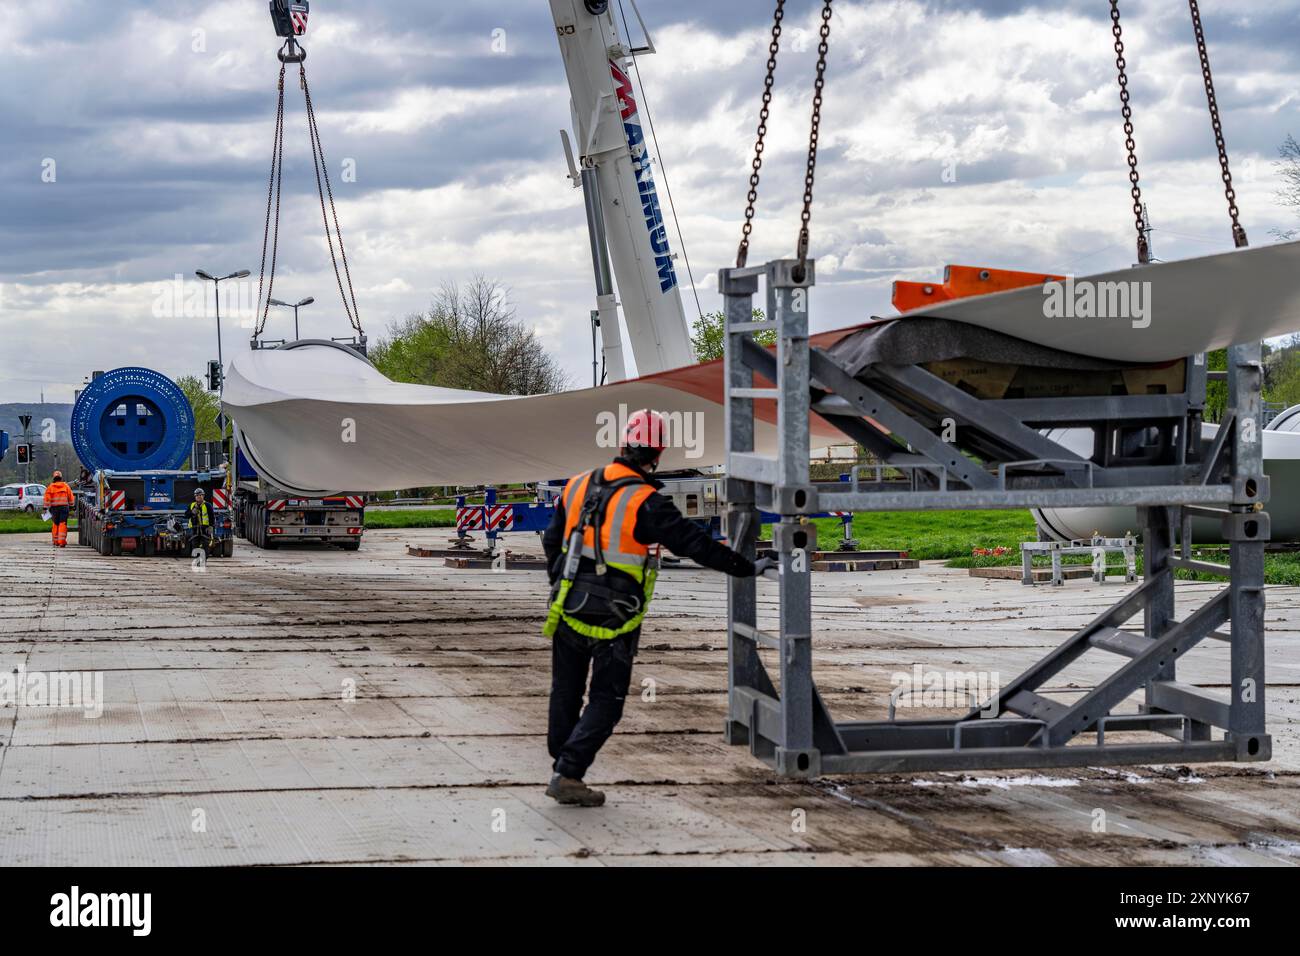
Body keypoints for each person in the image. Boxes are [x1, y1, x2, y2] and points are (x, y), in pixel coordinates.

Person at [541, 409, 774, 807]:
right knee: (606, 699)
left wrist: (561, 582)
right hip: (615, 616)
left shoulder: (577, 485)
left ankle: (562, 759)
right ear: (658, 453)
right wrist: (747, 566)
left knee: (566, 688)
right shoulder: (647, 502)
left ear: (621, 445)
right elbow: (694, 545)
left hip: (567, 607)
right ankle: (568, 771)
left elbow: (551, 541)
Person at [43, 470, 75, 548]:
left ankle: (55, 541)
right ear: (61, 478)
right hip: (64, 508)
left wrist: (45, 508)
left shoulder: (50, 487)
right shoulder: (66, 486)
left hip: (54, 508)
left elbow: (47, 499)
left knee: (55, 524)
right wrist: (71, 506)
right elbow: (71, 497)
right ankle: (62, 542)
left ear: (54, 478)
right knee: (62, 524)